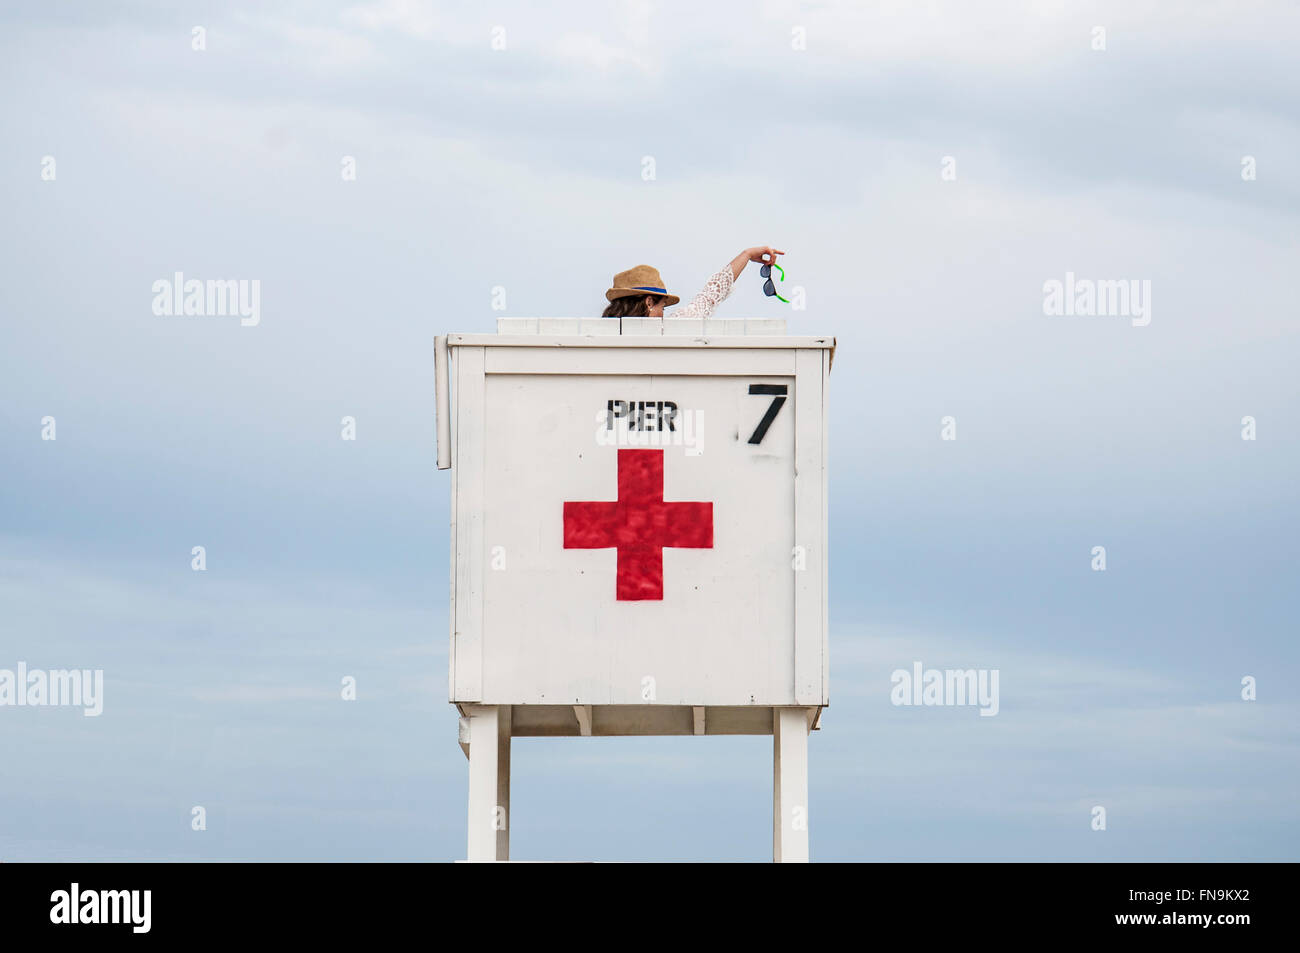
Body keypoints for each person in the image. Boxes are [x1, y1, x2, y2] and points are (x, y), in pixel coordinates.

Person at [602, 246, 785, 319]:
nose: (663, 316)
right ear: (649, 302)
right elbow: (710, 295)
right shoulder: (670, 329)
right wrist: (746, 255)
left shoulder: (600, 336)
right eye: (662, 308)